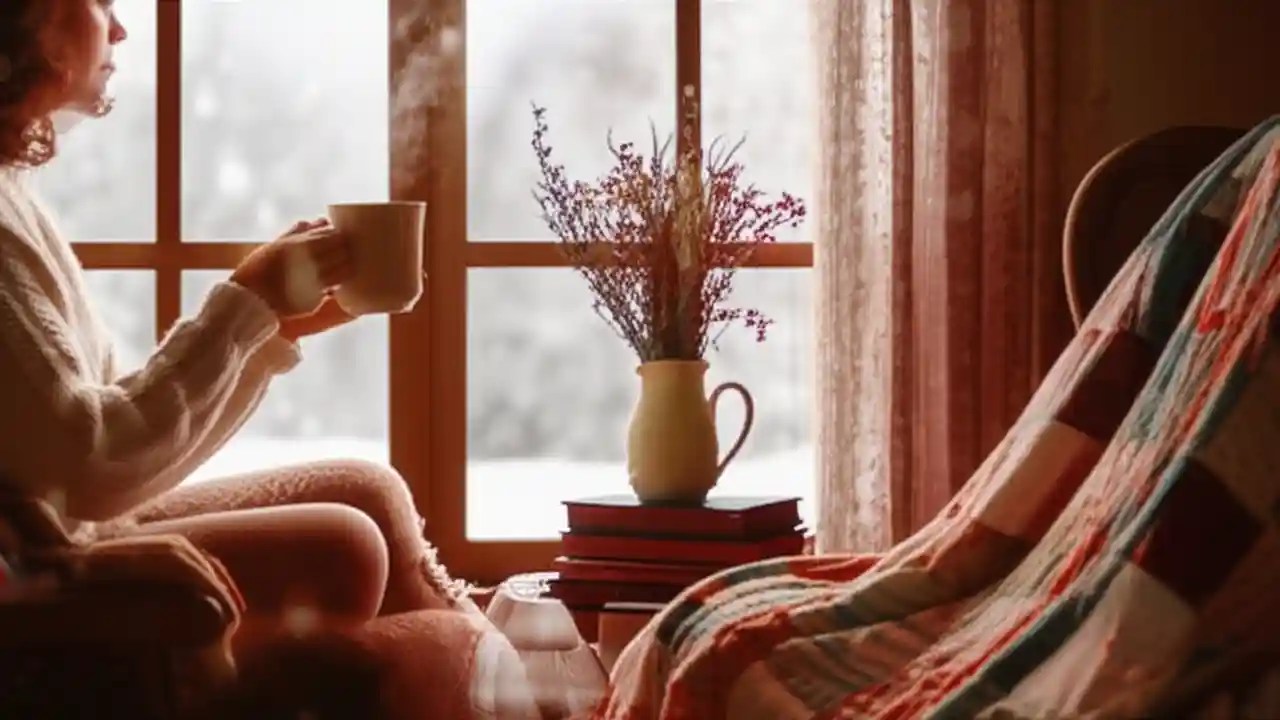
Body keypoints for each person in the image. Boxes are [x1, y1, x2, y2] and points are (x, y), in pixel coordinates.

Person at [0, 0, 472, 656]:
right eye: (101, 2)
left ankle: (502, 680)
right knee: (347, 546)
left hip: (68, 530)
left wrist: (271, 325)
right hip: (43, 564)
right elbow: (93, 464)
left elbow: (104, 443)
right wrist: (246, 305)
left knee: (370, 492)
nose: (120, 28)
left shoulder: (12, 193)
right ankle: (507, 683)